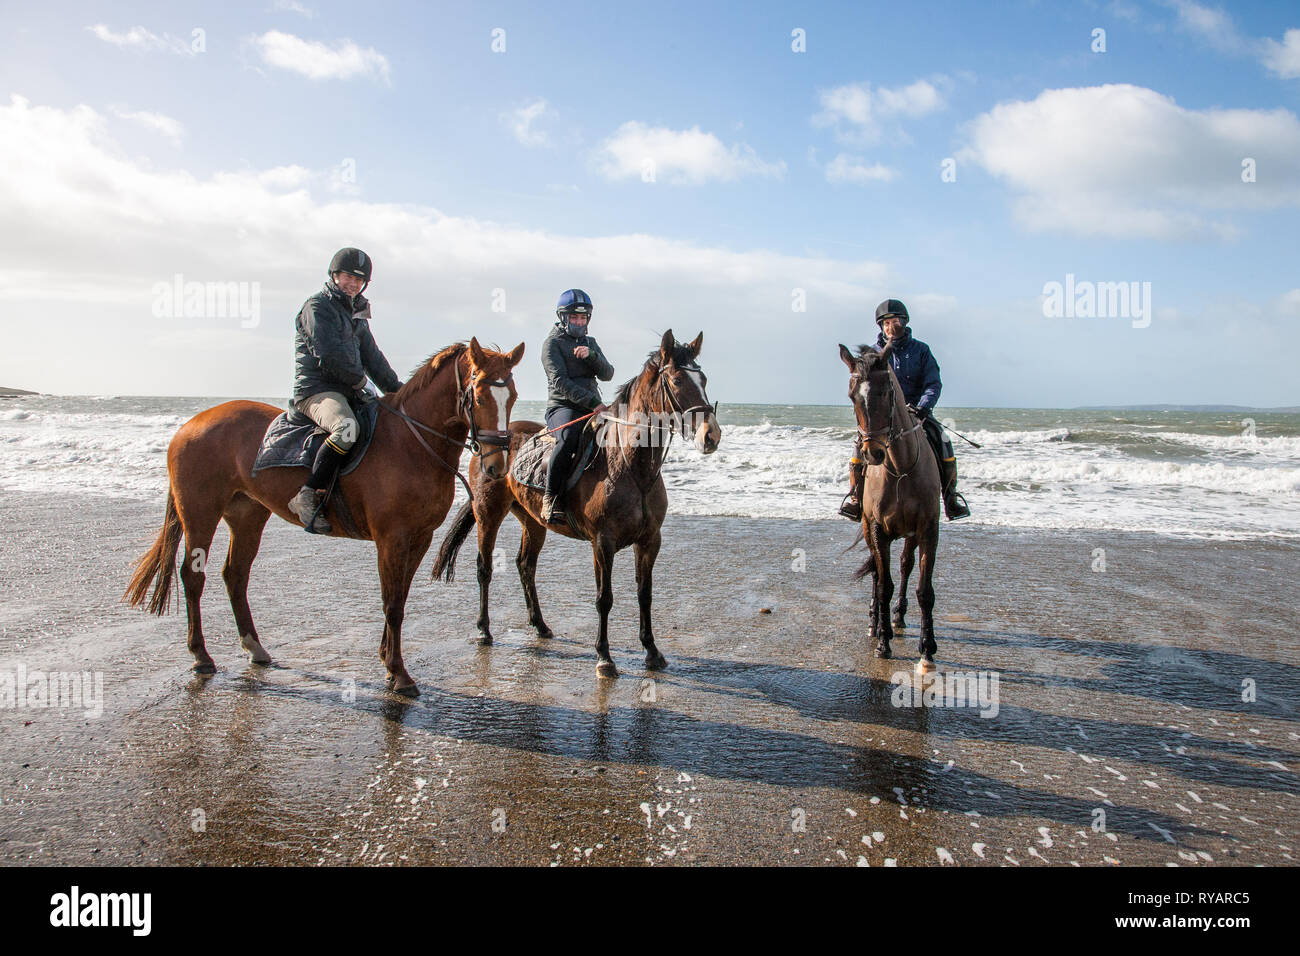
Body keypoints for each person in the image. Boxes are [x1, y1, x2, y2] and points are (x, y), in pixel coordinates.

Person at [288, 247, 404, 533]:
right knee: (347, 428)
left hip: (350, 389)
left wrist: (400, 392)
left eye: (359, 280)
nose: (353, 284)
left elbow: (373, 359)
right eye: (348, 277)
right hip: (317, 390)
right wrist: (361, 384)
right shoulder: (316, 307)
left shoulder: (357, 314)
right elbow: (328, 356)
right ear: (334, 275)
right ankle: (306, 493)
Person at [840, 298, 970, 522]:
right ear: (881, 326)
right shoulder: (873, 354)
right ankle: (856, 498)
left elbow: (933, 383)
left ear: (904, 322)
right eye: (887, 323)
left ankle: (950, 498)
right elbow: (865, 388)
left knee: (943, 439)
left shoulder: (920, 350)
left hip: (916, 413)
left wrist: (923, 407)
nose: (892, 327)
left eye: (896, 321)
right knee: (859, 447)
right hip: (883, 417)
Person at [540, 289, 614, 526]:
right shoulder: (552, 344)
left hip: (593, 407)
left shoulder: (590, 343)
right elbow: (560, 383)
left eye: (583, 318)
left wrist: (592, 356)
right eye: (574, 318)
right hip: (563, 407)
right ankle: (550, 498)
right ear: (563, 318)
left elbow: (608, 374)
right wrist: (594, 403)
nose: (579, 322)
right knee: (569, 437)